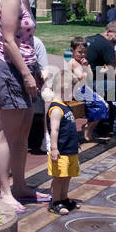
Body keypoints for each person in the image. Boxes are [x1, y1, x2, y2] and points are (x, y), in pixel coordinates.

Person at [0, 0, 59, 212]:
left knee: (23, 132)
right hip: (9, 69)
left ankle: (20, 185)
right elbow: (8, 40)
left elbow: (26, 41)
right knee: (8, 132)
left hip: (26, 67)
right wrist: (26, 74)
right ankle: (4, 191)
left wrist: (35, 70)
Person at [43, 70, 81, 215]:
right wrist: (54, 148)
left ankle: (64, 198)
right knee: (59, 177)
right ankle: (55, 202)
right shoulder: (56, 109)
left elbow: (69, 128)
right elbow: (54, 130)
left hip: (70, 149)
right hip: (61, 150)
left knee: (67, 175)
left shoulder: (66, 106)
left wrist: (75, 142)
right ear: (64, 88)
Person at [85, 19, 116, 137]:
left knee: (112, 88)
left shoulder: (89, 39)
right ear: (108, 31)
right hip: (91, 84)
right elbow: (112, 73)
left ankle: (105, 124)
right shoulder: (107, 45)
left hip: (82, 82)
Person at [67, 36, 107, 141]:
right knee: (101, 106)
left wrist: (87, 67)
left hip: (85, 90)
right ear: (72, 50)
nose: (83, 55)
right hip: (78, 92)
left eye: (85, 52)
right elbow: (81, 78)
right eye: (80, 52)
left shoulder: (84, 63)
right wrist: (85, 68)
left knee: (105, 106)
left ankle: (88, 127)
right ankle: (87, 129)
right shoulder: (72, 63)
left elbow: (90, 78)